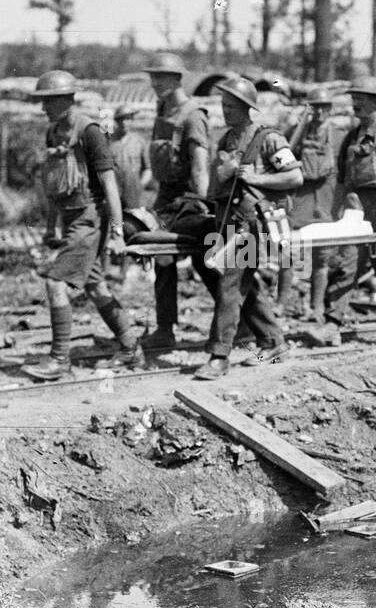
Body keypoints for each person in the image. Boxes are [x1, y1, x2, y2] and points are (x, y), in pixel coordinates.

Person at [22, 71, 142, 381]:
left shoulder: (89, 132)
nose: (43, 108)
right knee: (95, 286)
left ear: (65, 99)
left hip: (90, 219)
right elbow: (54, 186)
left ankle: (59, 359)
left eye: (48, 101)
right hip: (70, 218)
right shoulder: (53, 133)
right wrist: (51, 227)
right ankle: (130, 346)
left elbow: (110, 185)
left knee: (55, 282)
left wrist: (116, 232)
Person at [194, 76, 303, 380]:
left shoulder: (269, 139)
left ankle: (219, 355)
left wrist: (257, 179)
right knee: (244, 286)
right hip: (230, 223)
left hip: (255, 226)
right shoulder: (227, 140)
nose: (226, 111)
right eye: (223, 105)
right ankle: (273, 342)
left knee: (230, 284)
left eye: (231, 106)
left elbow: (295, 178)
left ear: (246, 107)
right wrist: (224, 171)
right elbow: (215, 186)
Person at [141, 52, 214, 351]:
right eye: (152, 77)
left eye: (160, 77)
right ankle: (165, 329)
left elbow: (200, 166)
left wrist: (205, 206)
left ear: (176, 79)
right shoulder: (163, 111)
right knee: (163, 258)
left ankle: (241, 319)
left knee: (206, 261)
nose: (154, 83)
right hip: (165, 198)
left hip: (188, 200)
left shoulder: (193, 116)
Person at [327, 75, 376, 345]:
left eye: (361, 99)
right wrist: (335, 212)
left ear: (375, 102)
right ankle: (332, 323)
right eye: (354, 99)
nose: (355, 104)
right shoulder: (351, 137)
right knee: (345, 265)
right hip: (354, 215)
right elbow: (340, 181)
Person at [279, 86, 340, 322]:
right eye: (315, 107)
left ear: (331, 109)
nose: (320, 113)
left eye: (324, 107)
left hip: (324, 202)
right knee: (288, 254)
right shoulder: (298, 132)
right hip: (299, 201)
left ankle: (316, 309)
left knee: (321, 258)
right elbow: (282, 151)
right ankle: (280, 305)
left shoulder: (336, 134)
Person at [109, 105, 151, 211]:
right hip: (114, 192)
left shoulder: (139, 141)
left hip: (134, 193)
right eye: (120, 120)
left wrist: (141, 184)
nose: (124, 123)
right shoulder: (108, 142)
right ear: (116, 121)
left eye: (127, 119)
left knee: (135, 222)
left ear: (132, 121)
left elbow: (148, 169)